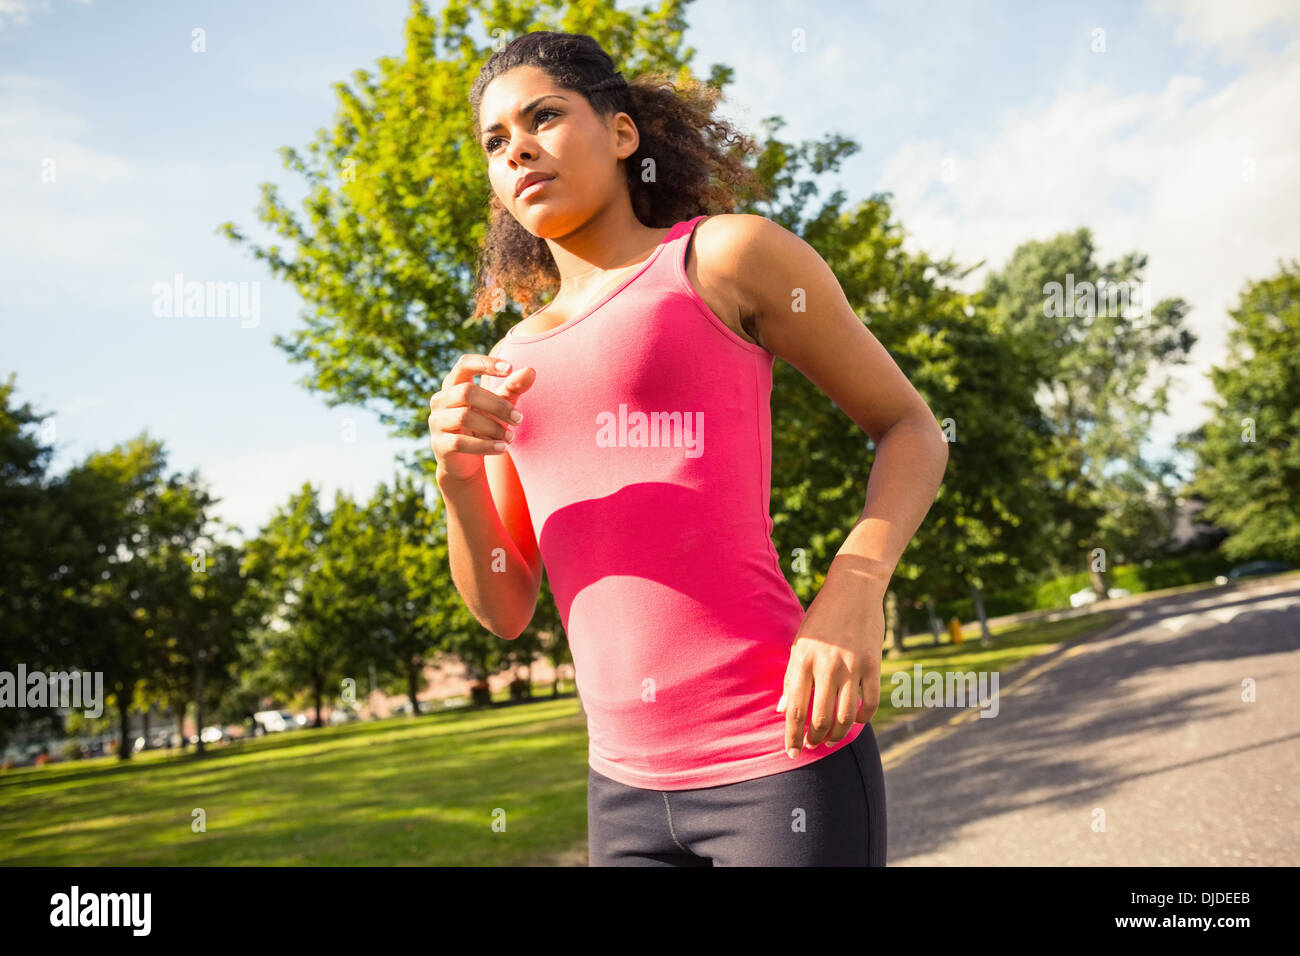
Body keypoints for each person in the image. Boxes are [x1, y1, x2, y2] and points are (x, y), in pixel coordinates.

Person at [430, 31, 948, 866]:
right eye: (495, 141)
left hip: (782, 754)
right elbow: (505, 609)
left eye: (545, 116)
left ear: (623, 132)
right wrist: (456, 478)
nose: (517, 146)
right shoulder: (508, 366)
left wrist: (854, 590)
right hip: (623, 798)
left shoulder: (724, 257)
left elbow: (910, 429)